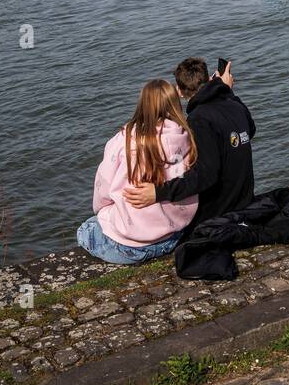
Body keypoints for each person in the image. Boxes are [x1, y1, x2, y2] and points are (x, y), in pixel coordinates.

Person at [77, 78, 199, 264]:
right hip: (174, 235)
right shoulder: (186, 137)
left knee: (86, 229)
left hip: (130, 246)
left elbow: (103, 189)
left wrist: (103, 211)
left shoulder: (124, 140)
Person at [123, 58, 255, 225]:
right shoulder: (235, 105)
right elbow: (250, 131)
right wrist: (227, 91)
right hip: (244, 201)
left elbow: (206, 174)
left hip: (220, 211)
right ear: (208, 79)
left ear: (178, 90)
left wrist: (158, 193)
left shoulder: (198, 119)